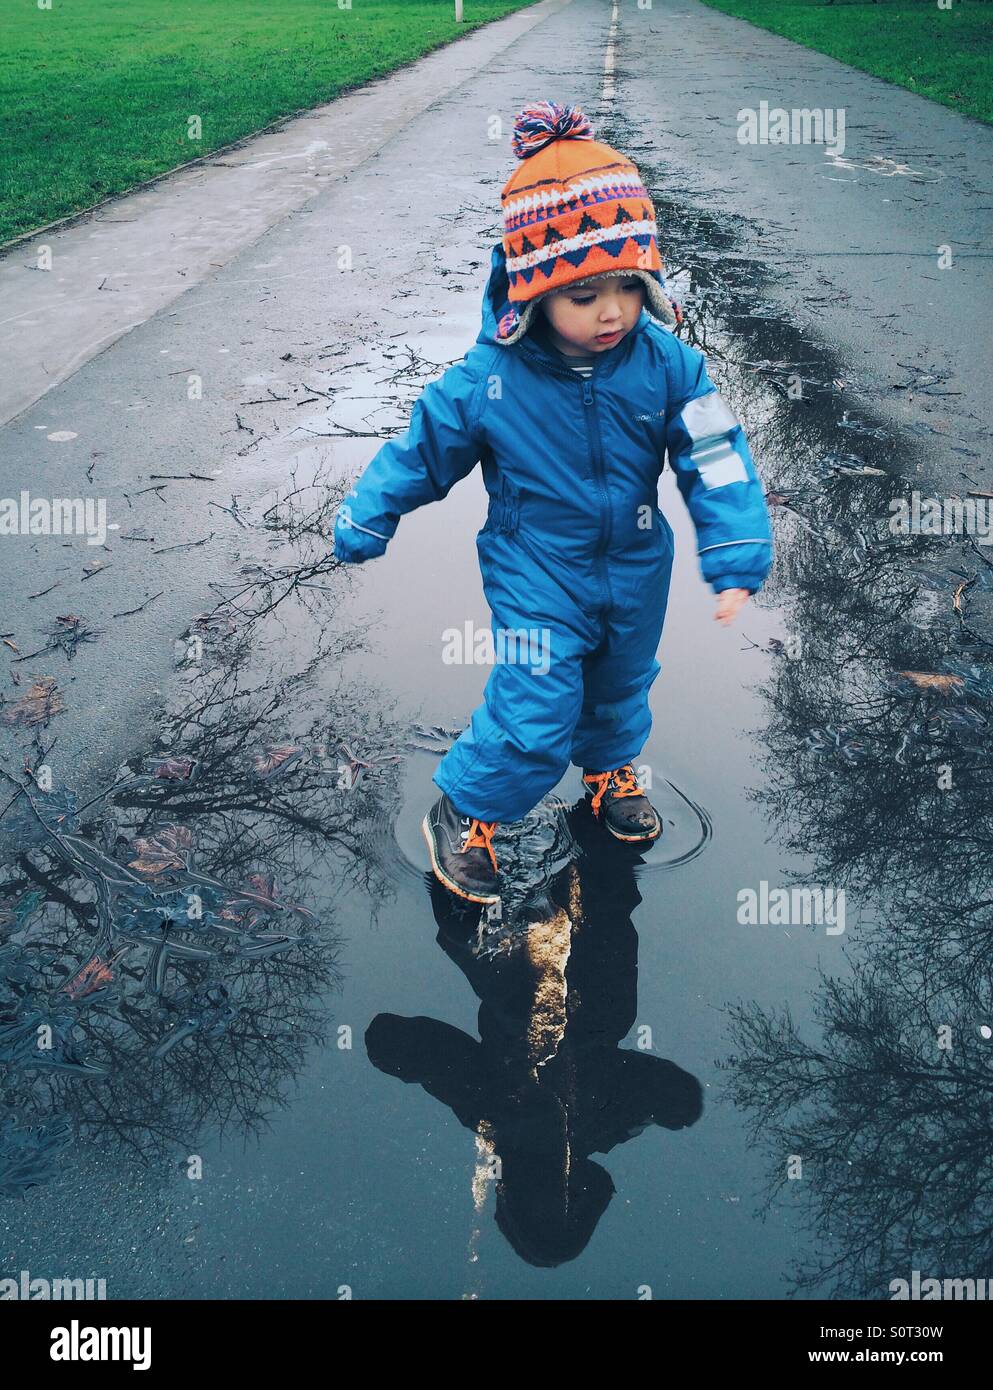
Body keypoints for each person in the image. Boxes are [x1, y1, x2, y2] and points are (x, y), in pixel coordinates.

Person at [333, 101, 774, 905]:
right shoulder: (487, 382)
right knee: (535, 704)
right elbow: (420, 450)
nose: (610, 312)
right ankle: (467, 809)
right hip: (537, 570)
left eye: (626, 288)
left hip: (635, 566)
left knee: (619, 680)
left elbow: (716, 456)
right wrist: (371, 514)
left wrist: (734, 552)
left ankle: (606, 770)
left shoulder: (669, 365)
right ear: (533, 296)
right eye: (583, 295)